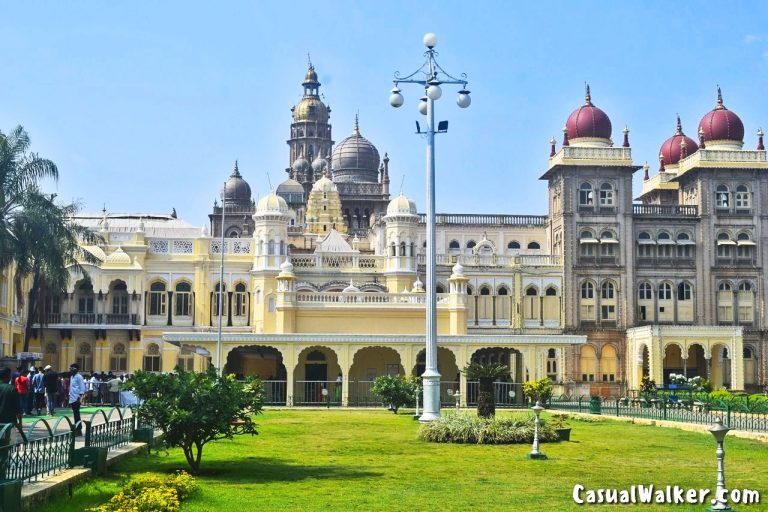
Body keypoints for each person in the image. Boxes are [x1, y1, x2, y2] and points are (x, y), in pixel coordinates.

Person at [0, 367, 22, 443]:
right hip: (9, 422)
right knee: (9, 443)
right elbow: (17, 408)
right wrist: (20, 423)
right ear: (9, 377)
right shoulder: (12, 389)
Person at [68, 364, 86, 435]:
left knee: (77, 414)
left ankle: (78, 429)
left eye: (72, 368)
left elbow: (82, 388)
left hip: (77, 398)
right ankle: (77, 428)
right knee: (75, 414)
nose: (70, 370)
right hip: (72, 398)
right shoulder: (72, 377)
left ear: (76, 369)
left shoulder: (79, 377)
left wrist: (80, 398)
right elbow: (71, 387)